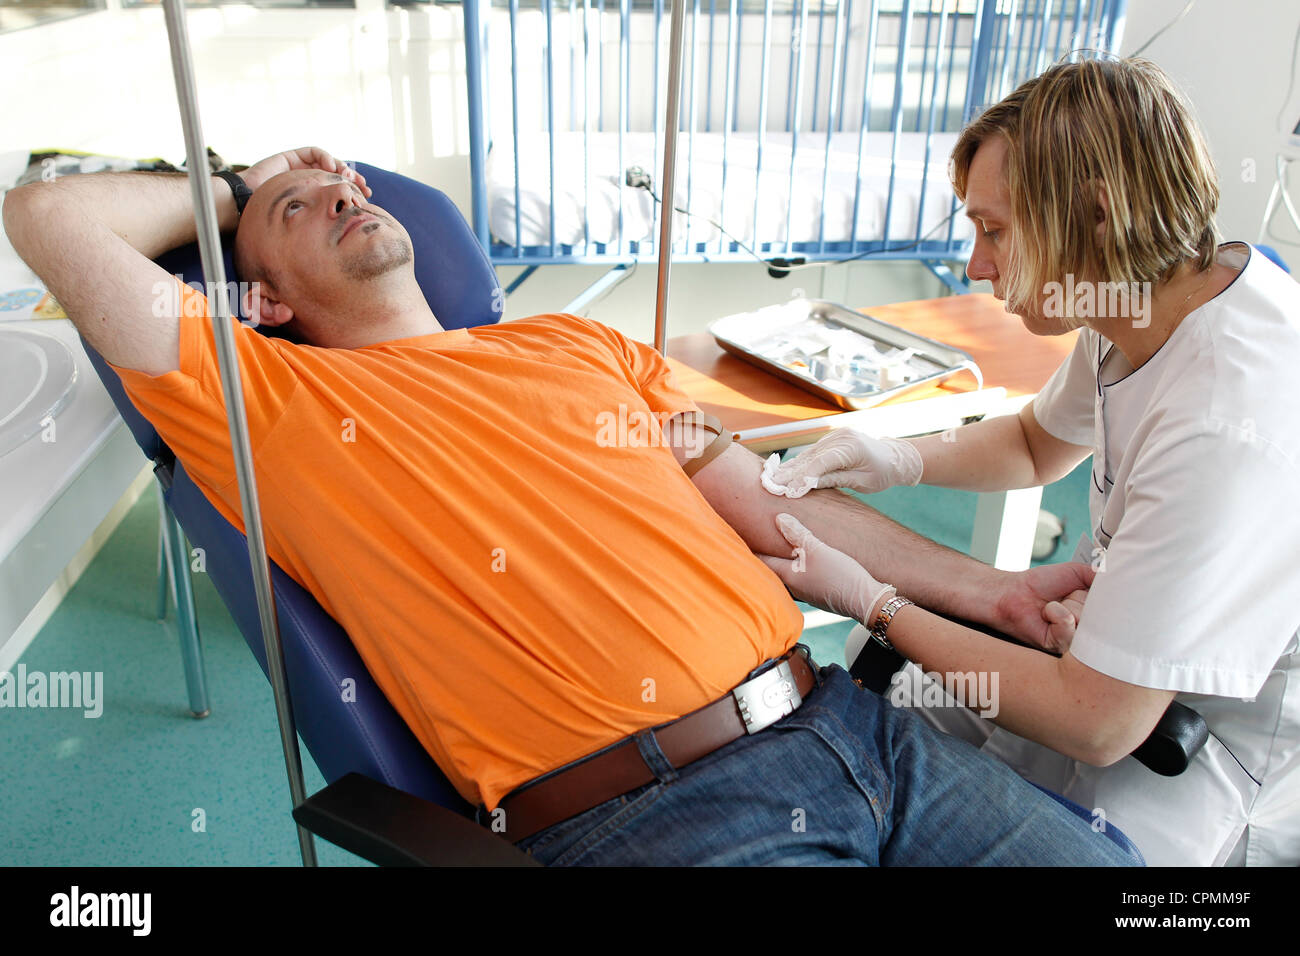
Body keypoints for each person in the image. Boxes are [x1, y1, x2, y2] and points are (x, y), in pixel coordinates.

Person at [3, 147, 1139, 866]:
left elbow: (777, 505)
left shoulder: (577, 345)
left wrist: (997, 588)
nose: (342, 190)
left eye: (344, 179)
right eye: (299, 207)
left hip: (852, 729)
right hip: (662, 814)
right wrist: (235, 183)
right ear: (267, 298)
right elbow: (44, 216)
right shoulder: (267, 399)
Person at [761, 57, 1300, 866]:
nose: (977, 265)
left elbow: (1099, 722)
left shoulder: (1229, 419)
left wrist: (876, 602)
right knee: (867, 723)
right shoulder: (1143, 295)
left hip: (1202, 755)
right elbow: (1035, 442)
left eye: (996, 230)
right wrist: (895, 456)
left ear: (1096, 214)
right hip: (1091, 652)